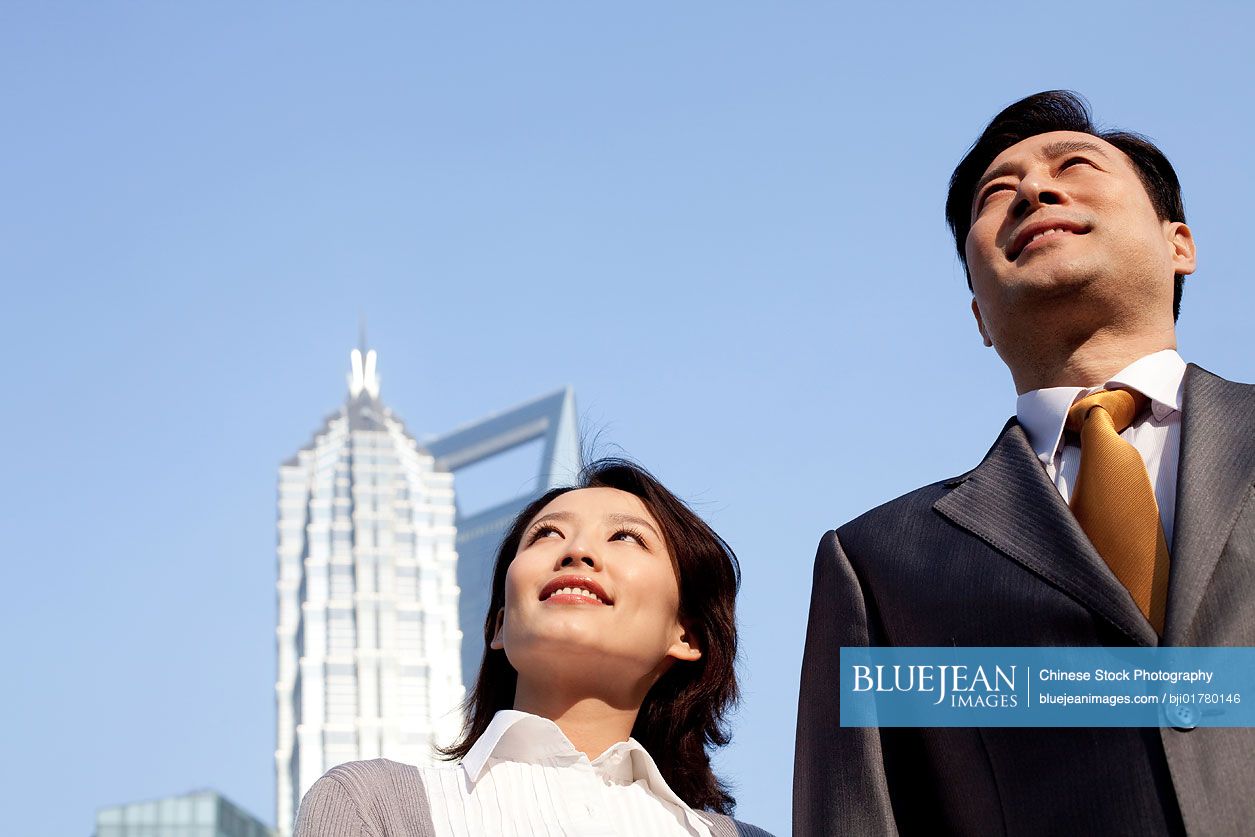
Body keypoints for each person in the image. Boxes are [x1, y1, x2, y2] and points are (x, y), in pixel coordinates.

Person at [794, 91, 1255, 835]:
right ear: (976, 310)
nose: (1036, 191)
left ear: (1179, 245)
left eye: (1074, 164)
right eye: (996, 195)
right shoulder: (875, 563)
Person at [296, 458, 773, 837]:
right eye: (547, 534)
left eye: (625, 536)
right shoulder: (371, 805)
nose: (577, 552)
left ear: (685, 635)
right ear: (499, 626)